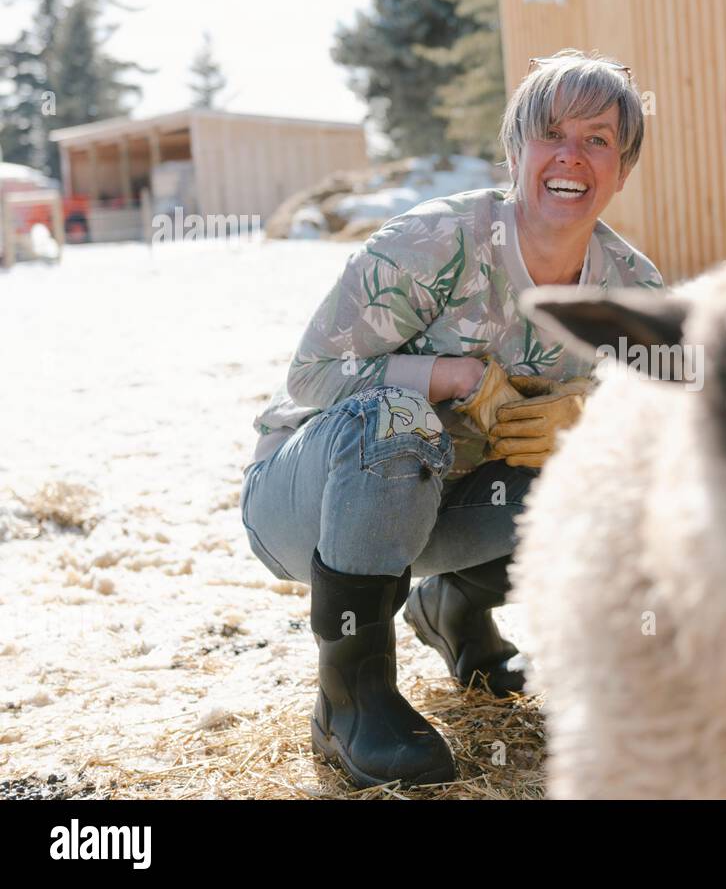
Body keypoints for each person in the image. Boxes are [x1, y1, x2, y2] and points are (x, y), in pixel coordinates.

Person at [238, 50, 663, 789]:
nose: (571, 155)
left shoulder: (631, 292)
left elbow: (685, 431)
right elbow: (310, 377)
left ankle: (454, 612)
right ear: (514, 152)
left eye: (597, 139)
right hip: (306, 505)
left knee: (610, 469)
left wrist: (590, 419)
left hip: (445, 515)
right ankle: (351, 696)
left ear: (621, 170)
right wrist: (449, 375)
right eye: (551, 133)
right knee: (399, 420)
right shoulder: (433, 243)